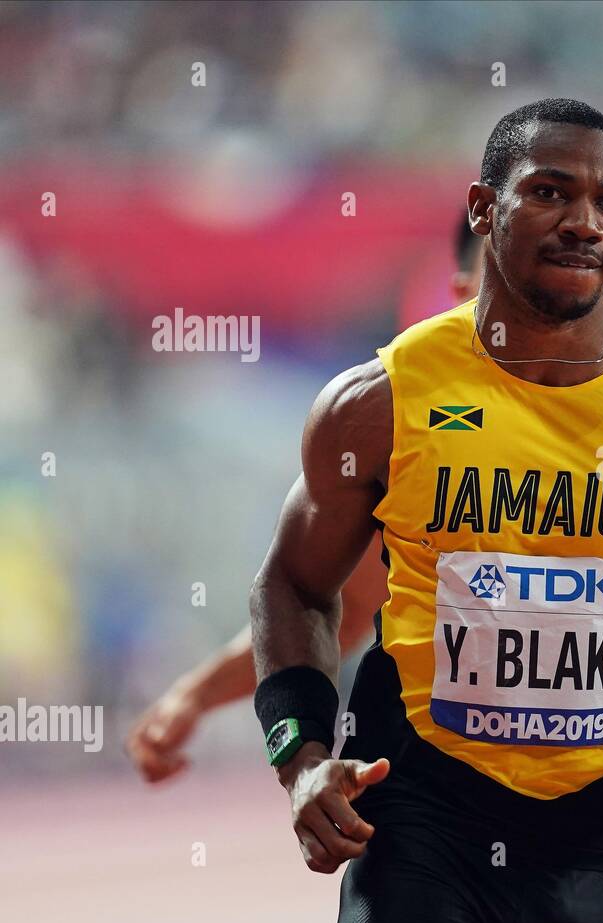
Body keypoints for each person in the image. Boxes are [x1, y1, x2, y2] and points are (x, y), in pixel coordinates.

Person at [249, 98, 603, 923]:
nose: (584, 223)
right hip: (417, 803)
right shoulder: (383, 401)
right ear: (484, 209)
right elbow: (292, 585)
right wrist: (299, 760)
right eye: (551, 193)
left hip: (599, 822)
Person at [125, 221, 485, 783]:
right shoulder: (411, 434)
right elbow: (331, 607)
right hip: (444, 793)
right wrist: (193, 697)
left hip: (597, 793)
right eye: (506, 270)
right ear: (464, 292)